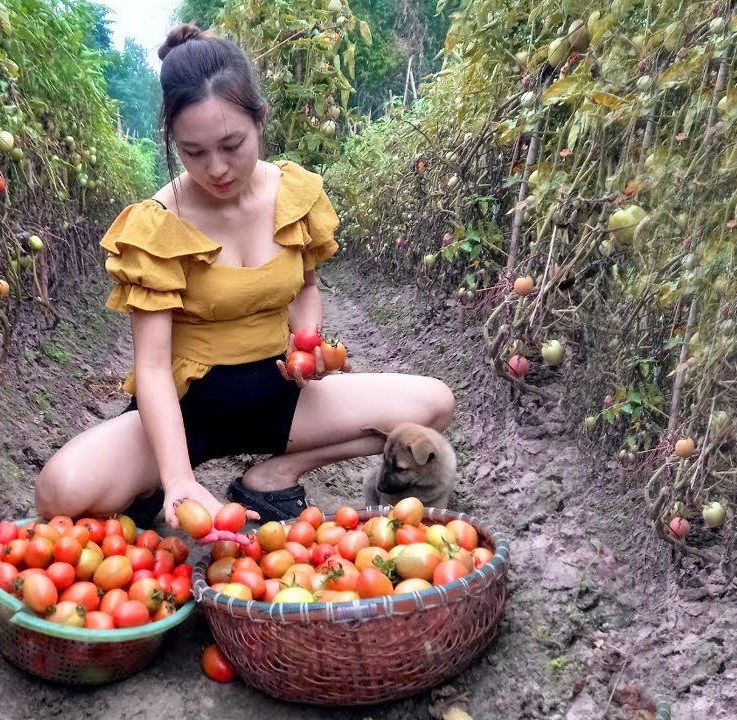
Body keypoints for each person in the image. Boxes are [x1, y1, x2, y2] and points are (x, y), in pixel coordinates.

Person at [35, 24, 454, 531]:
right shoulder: (157, 225)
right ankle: (155, 483)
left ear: (259, 120)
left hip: (280, 398)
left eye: (231, 144)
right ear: (174, 141)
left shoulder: (294, 194)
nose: (216, 168)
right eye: (193, 152)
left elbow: (305, 288)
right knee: (60, 490)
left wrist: (310, 345)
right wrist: (178, 478)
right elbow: (150, 369)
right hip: (187, 411)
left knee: (432, 407)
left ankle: (277, 473)